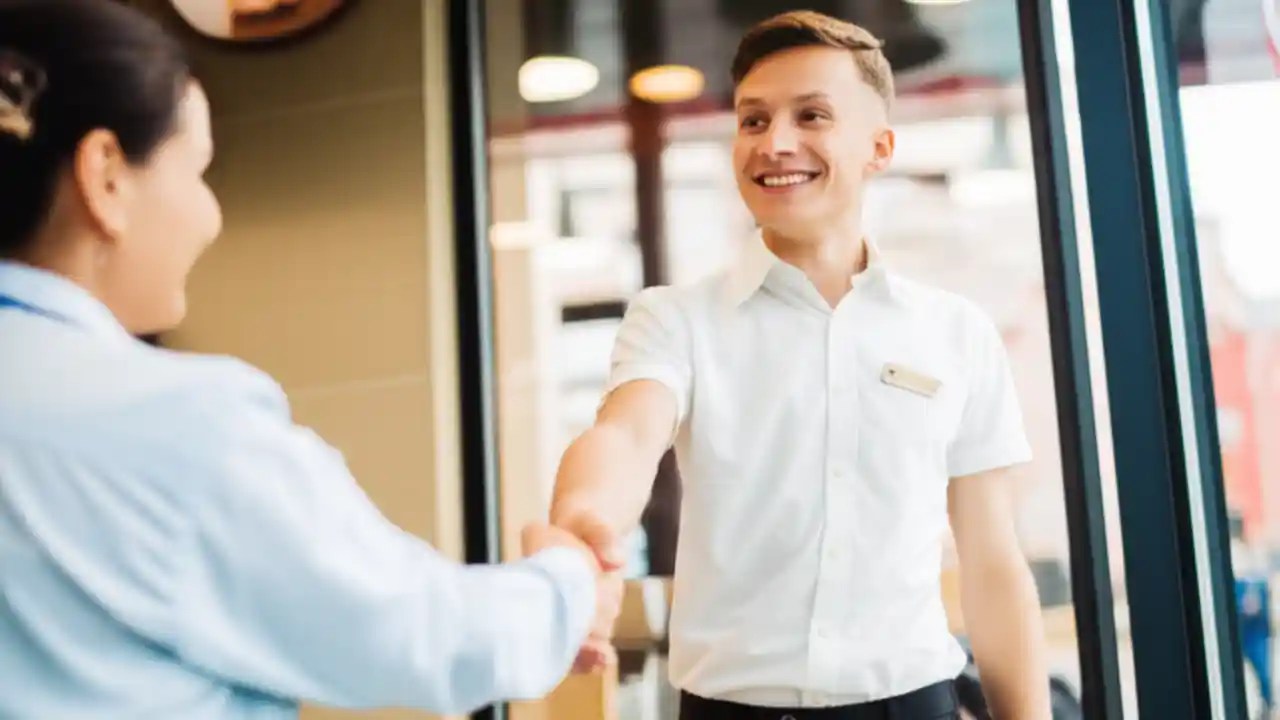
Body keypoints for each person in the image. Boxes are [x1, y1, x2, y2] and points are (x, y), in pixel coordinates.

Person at [0, 1, 619, 718]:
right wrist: (569, 584)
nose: (210, 216)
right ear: (105, 175)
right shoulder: (173, 420)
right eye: (199, 170)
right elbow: (419, 635)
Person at [545, 10, 1052, 720]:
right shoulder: (675, 318)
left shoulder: (957, 332)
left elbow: (993, 562)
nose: (774, 142)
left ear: (879, 147)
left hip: (912, 705)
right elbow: (624, 438)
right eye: (753, 120)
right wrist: (585, 528)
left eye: (811, 116)